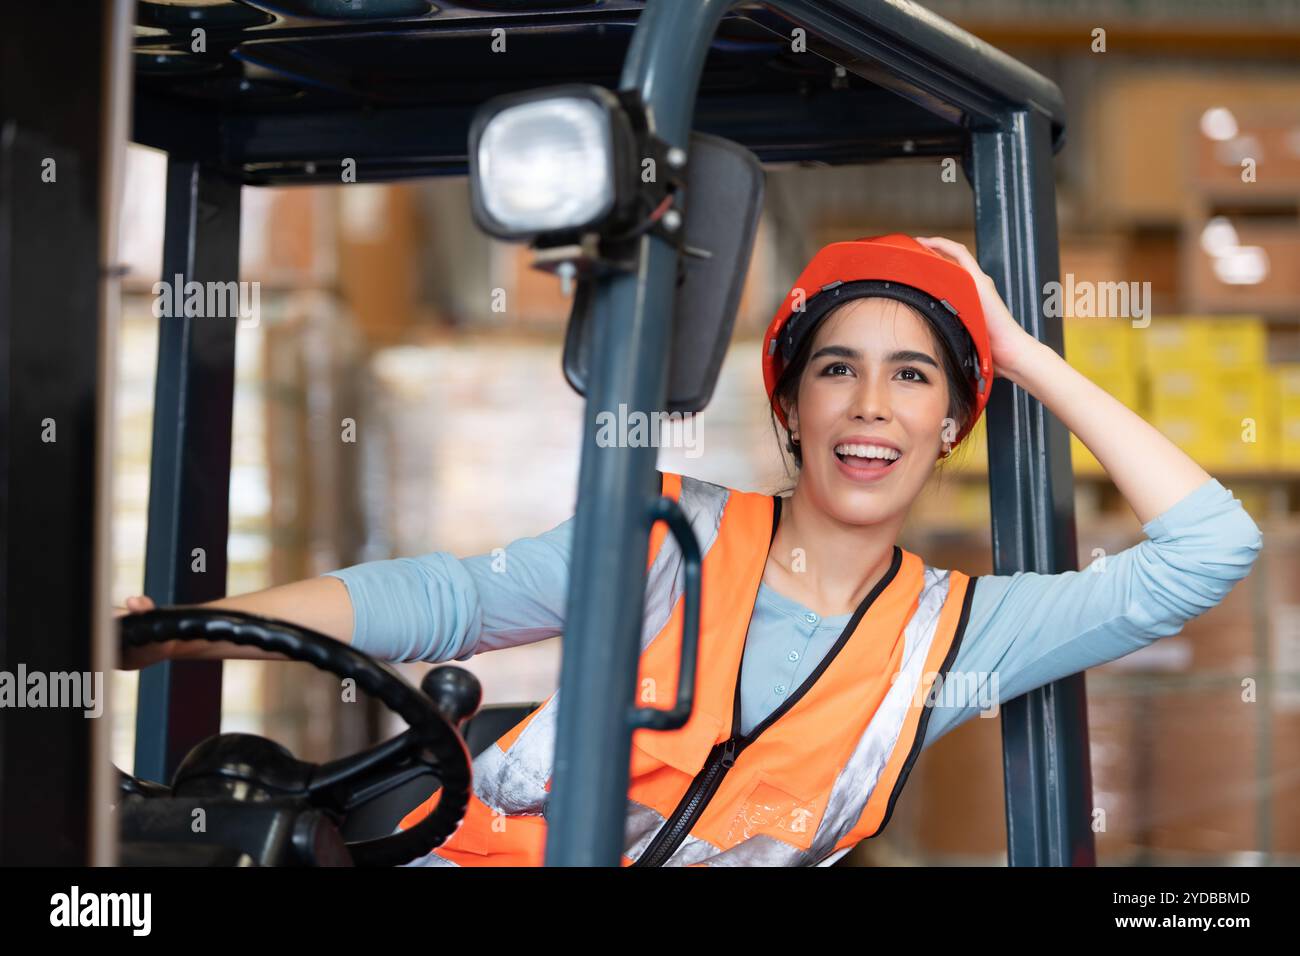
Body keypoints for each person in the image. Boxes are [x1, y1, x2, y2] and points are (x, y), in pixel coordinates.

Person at [118, 234, 1263, 867]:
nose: (870, 406)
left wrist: (1013, 348)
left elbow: (1208, 546)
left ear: (952, 422)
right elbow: (447, 601)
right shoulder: (677, 532)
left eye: (912, 375)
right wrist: (190, 626)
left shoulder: (953, 634)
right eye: (835, 368)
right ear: (790, 410)